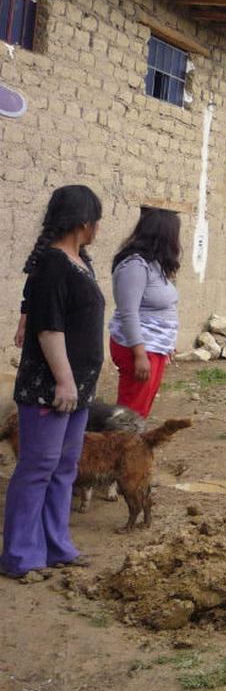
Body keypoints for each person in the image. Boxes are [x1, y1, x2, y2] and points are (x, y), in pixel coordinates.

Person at [2, 185, 105, 579]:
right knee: (38, 467)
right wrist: (64, 381)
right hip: (50, 387)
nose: (98, 227)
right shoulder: (53, 265)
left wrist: (79, 383)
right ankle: (20, 556)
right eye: (96, 220)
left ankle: (56, 545)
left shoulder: (81, 262)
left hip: (77, 388)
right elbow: (49, 328)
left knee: (64, 467)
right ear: (84, 222)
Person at [107, 209, 181, 419]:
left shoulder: (155, 265)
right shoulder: (135, 266)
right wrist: (139, 354)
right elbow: (128, 312)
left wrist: (166, 342)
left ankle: (133, 439)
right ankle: (123, 440)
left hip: (154, 346)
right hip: (138, 347)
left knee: (141, 409)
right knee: (131, 410)